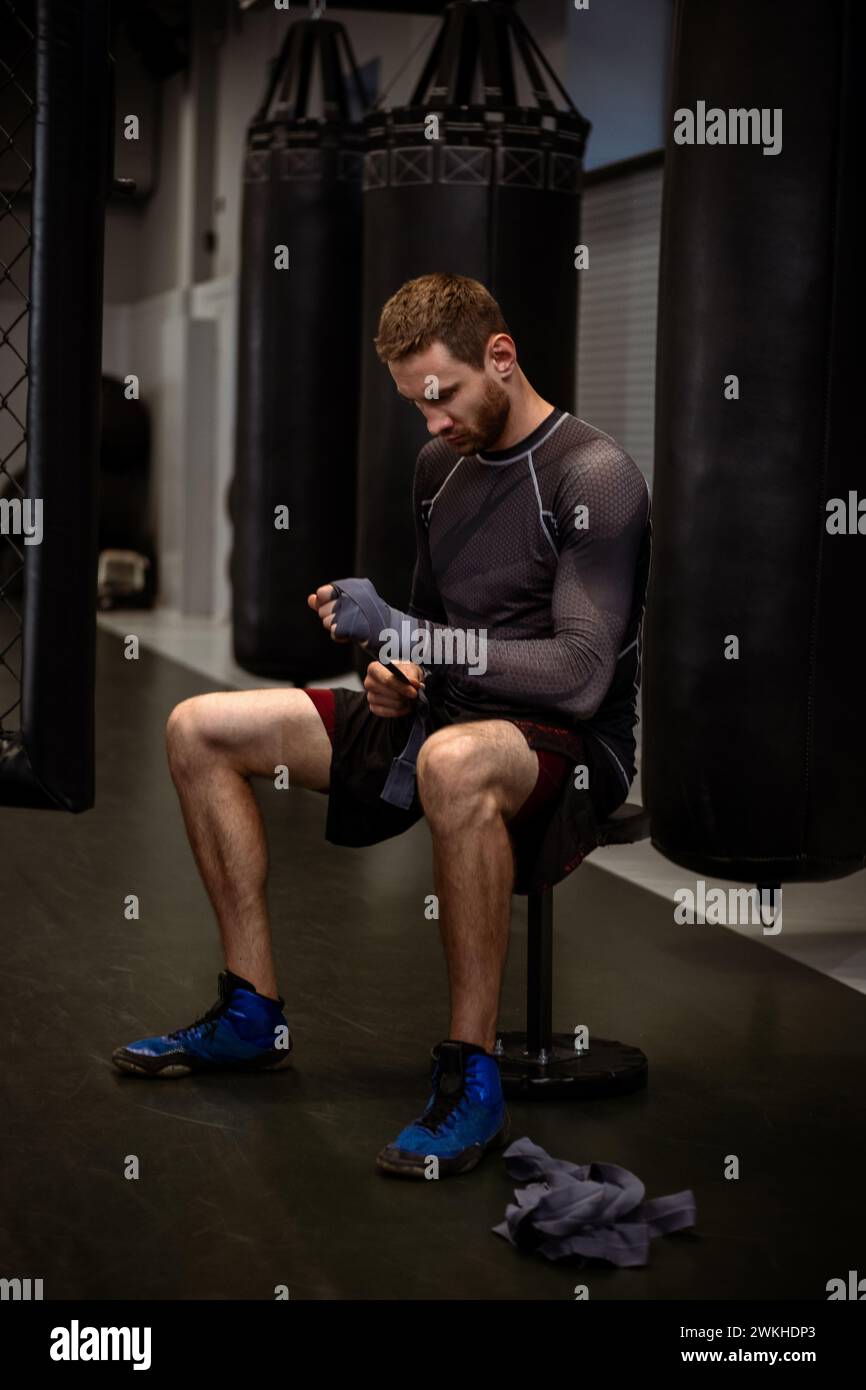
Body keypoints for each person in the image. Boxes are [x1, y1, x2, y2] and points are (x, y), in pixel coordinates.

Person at [112, 272, 651, 1180]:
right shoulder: (438, 466)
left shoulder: (593, 475)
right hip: (445, 714)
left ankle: (470, 1075)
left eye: (441, 394)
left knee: (451, 760)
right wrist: (396, 671)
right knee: (198, 725)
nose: (431, 421)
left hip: (565, 740)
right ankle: (250, 1014)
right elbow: (438, 621)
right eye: (414, 404)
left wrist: (410, 636)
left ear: (502, 357)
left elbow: (580, 672)